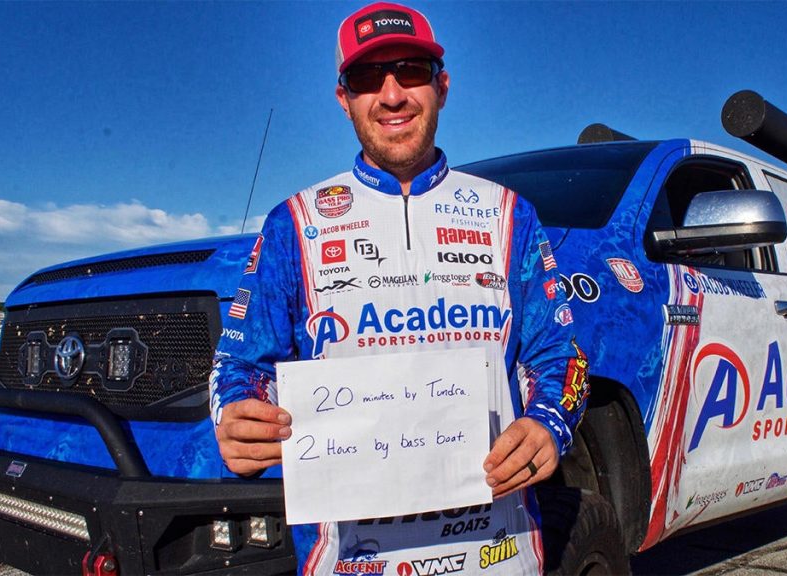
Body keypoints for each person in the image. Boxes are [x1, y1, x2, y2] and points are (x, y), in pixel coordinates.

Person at [209, 2, 589, 574]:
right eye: (366, 78)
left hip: (500, 553)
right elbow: (240, 366)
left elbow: (564, 356)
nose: (391, 95)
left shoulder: (511, 216)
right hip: (348, 559)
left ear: (441, 86)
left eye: (411, 71)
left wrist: (549, 423)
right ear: (344, 99)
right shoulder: (294, 223)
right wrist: (234, 415)